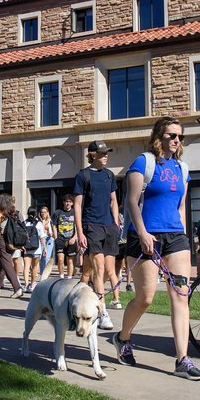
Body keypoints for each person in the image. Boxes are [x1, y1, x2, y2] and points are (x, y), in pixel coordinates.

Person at [112, 116, 200, 381]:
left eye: (180, 136)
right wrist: (142, 233)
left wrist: (186, 239)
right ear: (159, 136)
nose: (176, 140)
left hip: (175, 237)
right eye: (171, 135)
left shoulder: (183, 169)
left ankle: (182, 360)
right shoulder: (144, 162)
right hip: (144, 236)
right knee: (145, 298)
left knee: (180, 295)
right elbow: (130, 202)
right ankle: (123, 337)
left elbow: (180, 208)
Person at [75, 140, 121, 330]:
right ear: (92, 155)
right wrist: (79, 232)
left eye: (106, 153)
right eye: (102, 153)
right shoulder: (83, 175)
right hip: (91, 225)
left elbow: (114, 201)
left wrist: (117, 223)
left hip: (109, 226)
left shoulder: (110, 175)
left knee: (110, 270)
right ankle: (102, 313)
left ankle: (88, 297)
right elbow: (77, 205)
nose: (105, 156)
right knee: (98, 269)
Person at [0, 193, 24, 300]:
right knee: (2, 266)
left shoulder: (0, 213)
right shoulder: (13, 212)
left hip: (3, 240)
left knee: (6, 264)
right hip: (12, 242)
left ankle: (17, 288)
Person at [52, 195, 77, 279]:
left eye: (69, 202)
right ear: (63, 202)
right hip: (60, 238)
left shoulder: (75, 212)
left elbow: (78, 227)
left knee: (70, 260)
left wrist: (74, 238)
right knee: (60, 259)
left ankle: (69, 277)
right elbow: (54, 226)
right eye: (66, 201)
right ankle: (61, 277)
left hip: (71, 239)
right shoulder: (57, 213)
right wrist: (56, 238)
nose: (68, 203)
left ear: (72, 203)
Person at [22, 206, 45, 292]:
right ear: (36, 213)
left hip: (26, 248)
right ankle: (32, 284)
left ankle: (26, 284)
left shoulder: (24, 223)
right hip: (36, 248)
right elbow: (42, 237)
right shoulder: (39, 223)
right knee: (35, 267)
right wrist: (45, 248)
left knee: (26, 267)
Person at [38, 205, 56, 278]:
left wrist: (49, 231)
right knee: (41, 258)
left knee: (46, 258)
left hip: (49, 240)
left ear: (47, 213)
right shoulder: (38, 221)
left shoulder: (50, 221)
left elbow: (53, 234)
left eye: (45, 212)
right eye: (42, 212)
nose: (43, 214)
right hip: (41, 240)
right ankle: (42, 274)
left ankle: (45, 275)